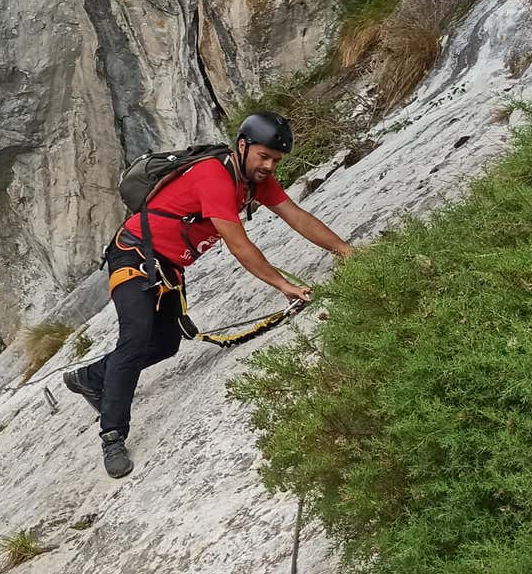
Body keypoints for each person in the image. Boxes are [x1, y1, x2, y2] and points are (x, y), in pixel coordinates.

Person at [65, 112, 353, 478]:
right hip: (135, 253)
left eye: (276, 160)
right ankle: (112, 434)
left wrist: (344, 250)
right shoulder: (213, 175)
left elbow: (295, 215)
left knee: (166, 344)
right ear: (243, 146)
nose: (269, 166)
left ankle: (90, 377)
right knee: (136, 338)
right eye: (264, 156)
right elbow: (238, 244)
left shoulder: (253, 183)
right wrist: (284, 285)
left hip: (166, 266)